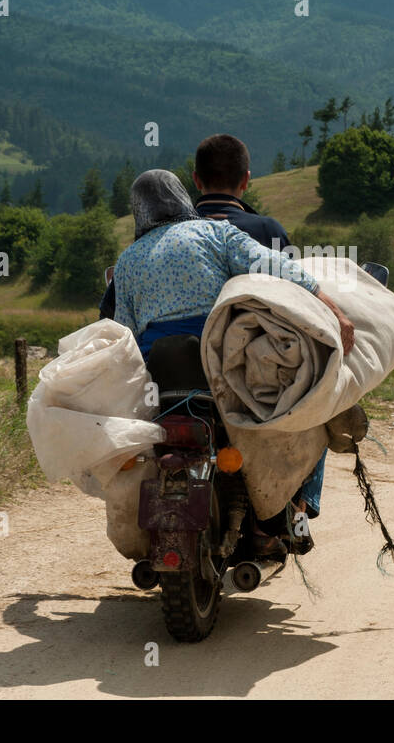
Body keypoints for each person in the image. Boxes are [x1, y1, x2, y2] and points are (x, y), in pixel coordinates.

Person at [111, 169, 353, 553]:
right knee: (298, 410)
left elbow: (121, 330)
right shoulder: (213, 234)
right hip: (217, 367)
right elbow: (280, 268)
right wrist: (332, 310)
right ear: (181, 197)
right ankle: (289, 519)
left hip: (158, 380)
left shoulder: (127, 262)